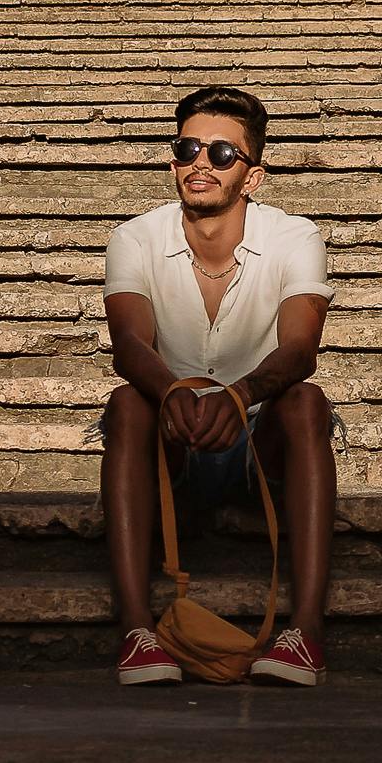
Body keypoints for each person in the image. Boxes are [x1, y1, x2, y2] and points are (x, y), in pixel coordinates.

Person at [100, 85, 336, 687]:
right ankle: (136, 632)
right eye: (188, 149)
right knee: (127, 403)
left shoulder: (294, 237)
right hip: (173, 431)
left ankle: (306, 634)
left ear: (252, 176)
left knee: (307, 403)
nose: (200, 163)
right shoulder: (135, 238)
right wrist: (172, 392)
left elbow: (300, 349)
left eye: (222, 153)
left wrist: (240, 395)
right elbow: (129, 344)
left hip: (258, 435)